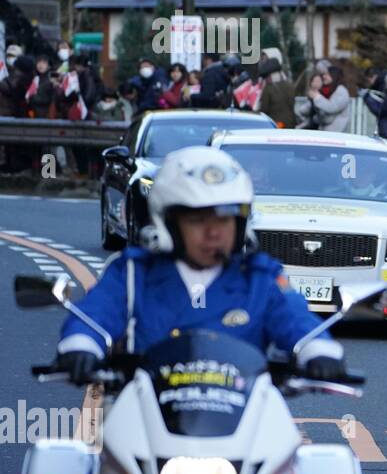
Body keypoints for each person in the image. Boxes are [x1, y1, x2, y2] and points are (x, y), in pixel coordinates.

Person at [52, 146, 349, 381]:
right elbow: (95, 314)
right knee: (59, 458)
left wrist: (318, 351)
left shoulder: (259, 277)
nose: (214, 232)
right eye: (198, 220)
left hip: (242, 417)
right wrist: (80, 346)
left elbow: (298, 320)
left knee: (321, 460)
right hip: (148, 416)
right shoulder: (133, 272)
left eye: (225, 219)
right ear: (169, 222)